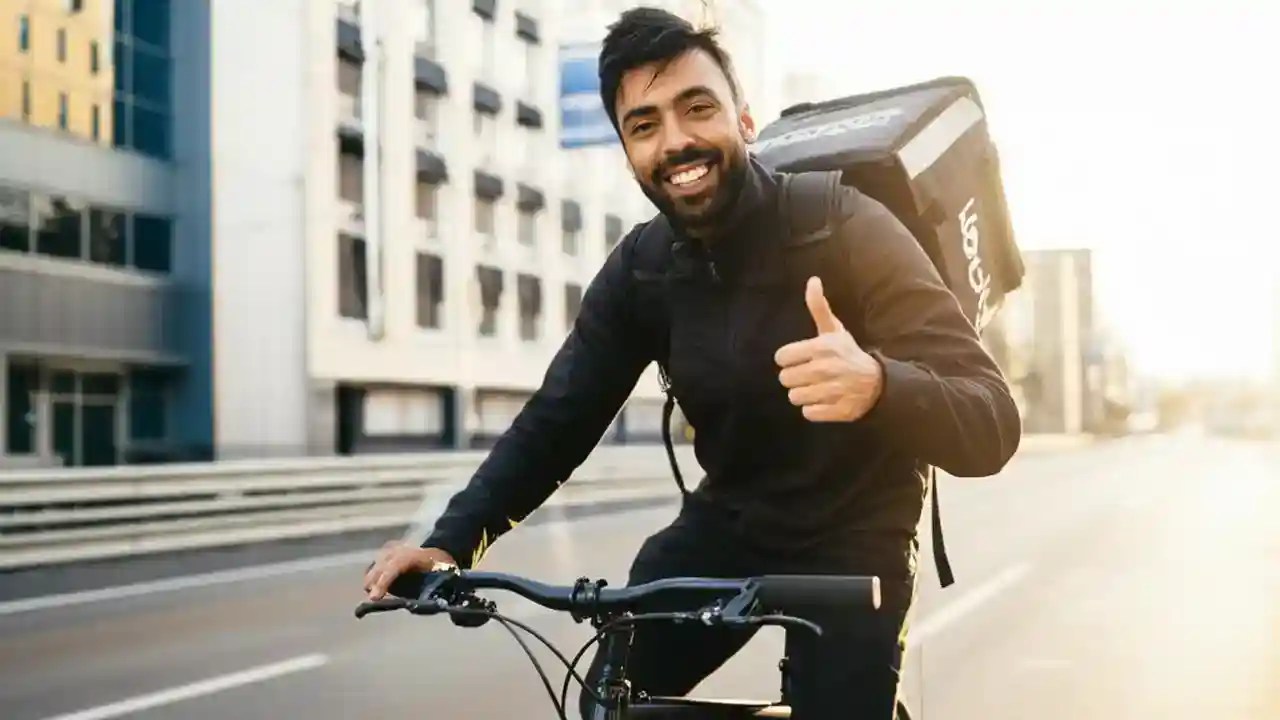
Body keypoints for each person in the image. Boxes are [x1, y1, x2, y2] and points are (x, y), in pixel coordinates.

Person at [363, 7, 1022, 719]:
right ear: (628, 151)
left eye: (697, 108)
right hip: (729, 521)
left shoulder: (847, 226)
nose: (675, 141)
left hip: (858, 532)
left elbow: (992, 422)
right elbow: (557, 420)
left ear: (744, 120)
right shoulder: (642, 270)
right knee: (610, 699)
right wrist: (451, 543)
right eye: (644, 125)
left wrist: (879, 385)